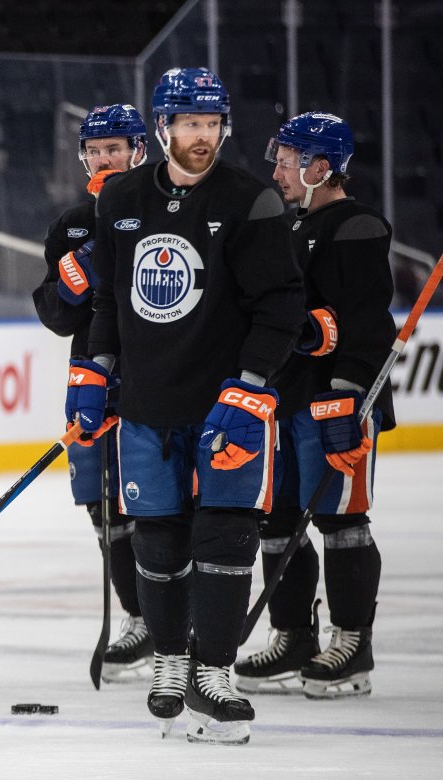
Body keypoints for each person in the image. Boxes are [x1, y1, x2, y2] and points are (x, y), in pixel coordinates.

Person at [73, 67, 304, 744]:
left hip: (228, 405)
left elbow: (281, 307)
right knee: (158, 536)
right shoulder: (121, 198)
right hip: (148, 404)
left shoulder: (251, 201)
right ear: (162, 127)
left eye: (211, 124)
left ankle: (215, 671)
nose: (202, 137)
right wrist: (96, 369)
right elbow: (110, 299)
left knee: (229, 533)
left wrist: (253, 382)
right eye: (189, 124)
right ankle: (172, 662)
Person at [234, 112, 394, 700]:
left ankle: (353, 643)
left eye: (287, 158)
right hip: (287, 398)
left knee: (341, 522)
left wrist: (350, 394)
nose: (275, 168)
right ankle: (293, 637)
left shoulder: (356, 226)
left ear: (320, 166)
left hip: (334, 402)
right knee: (276, 521)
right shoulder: (291, 226)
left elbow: (367, 326)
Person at [32, 104, 152, 684]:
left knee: (161, 502)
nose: (105, 158)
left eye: (115, 147)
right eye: (95, 149)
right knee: (105, 510)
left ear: (139, 150)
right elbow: (57, 315)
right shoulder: (73, 224)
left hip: (162, 380)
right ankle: (139, 617)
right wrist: (78, 273)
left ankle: (177, 621)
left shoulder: (169, 211)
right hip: (93, 384)